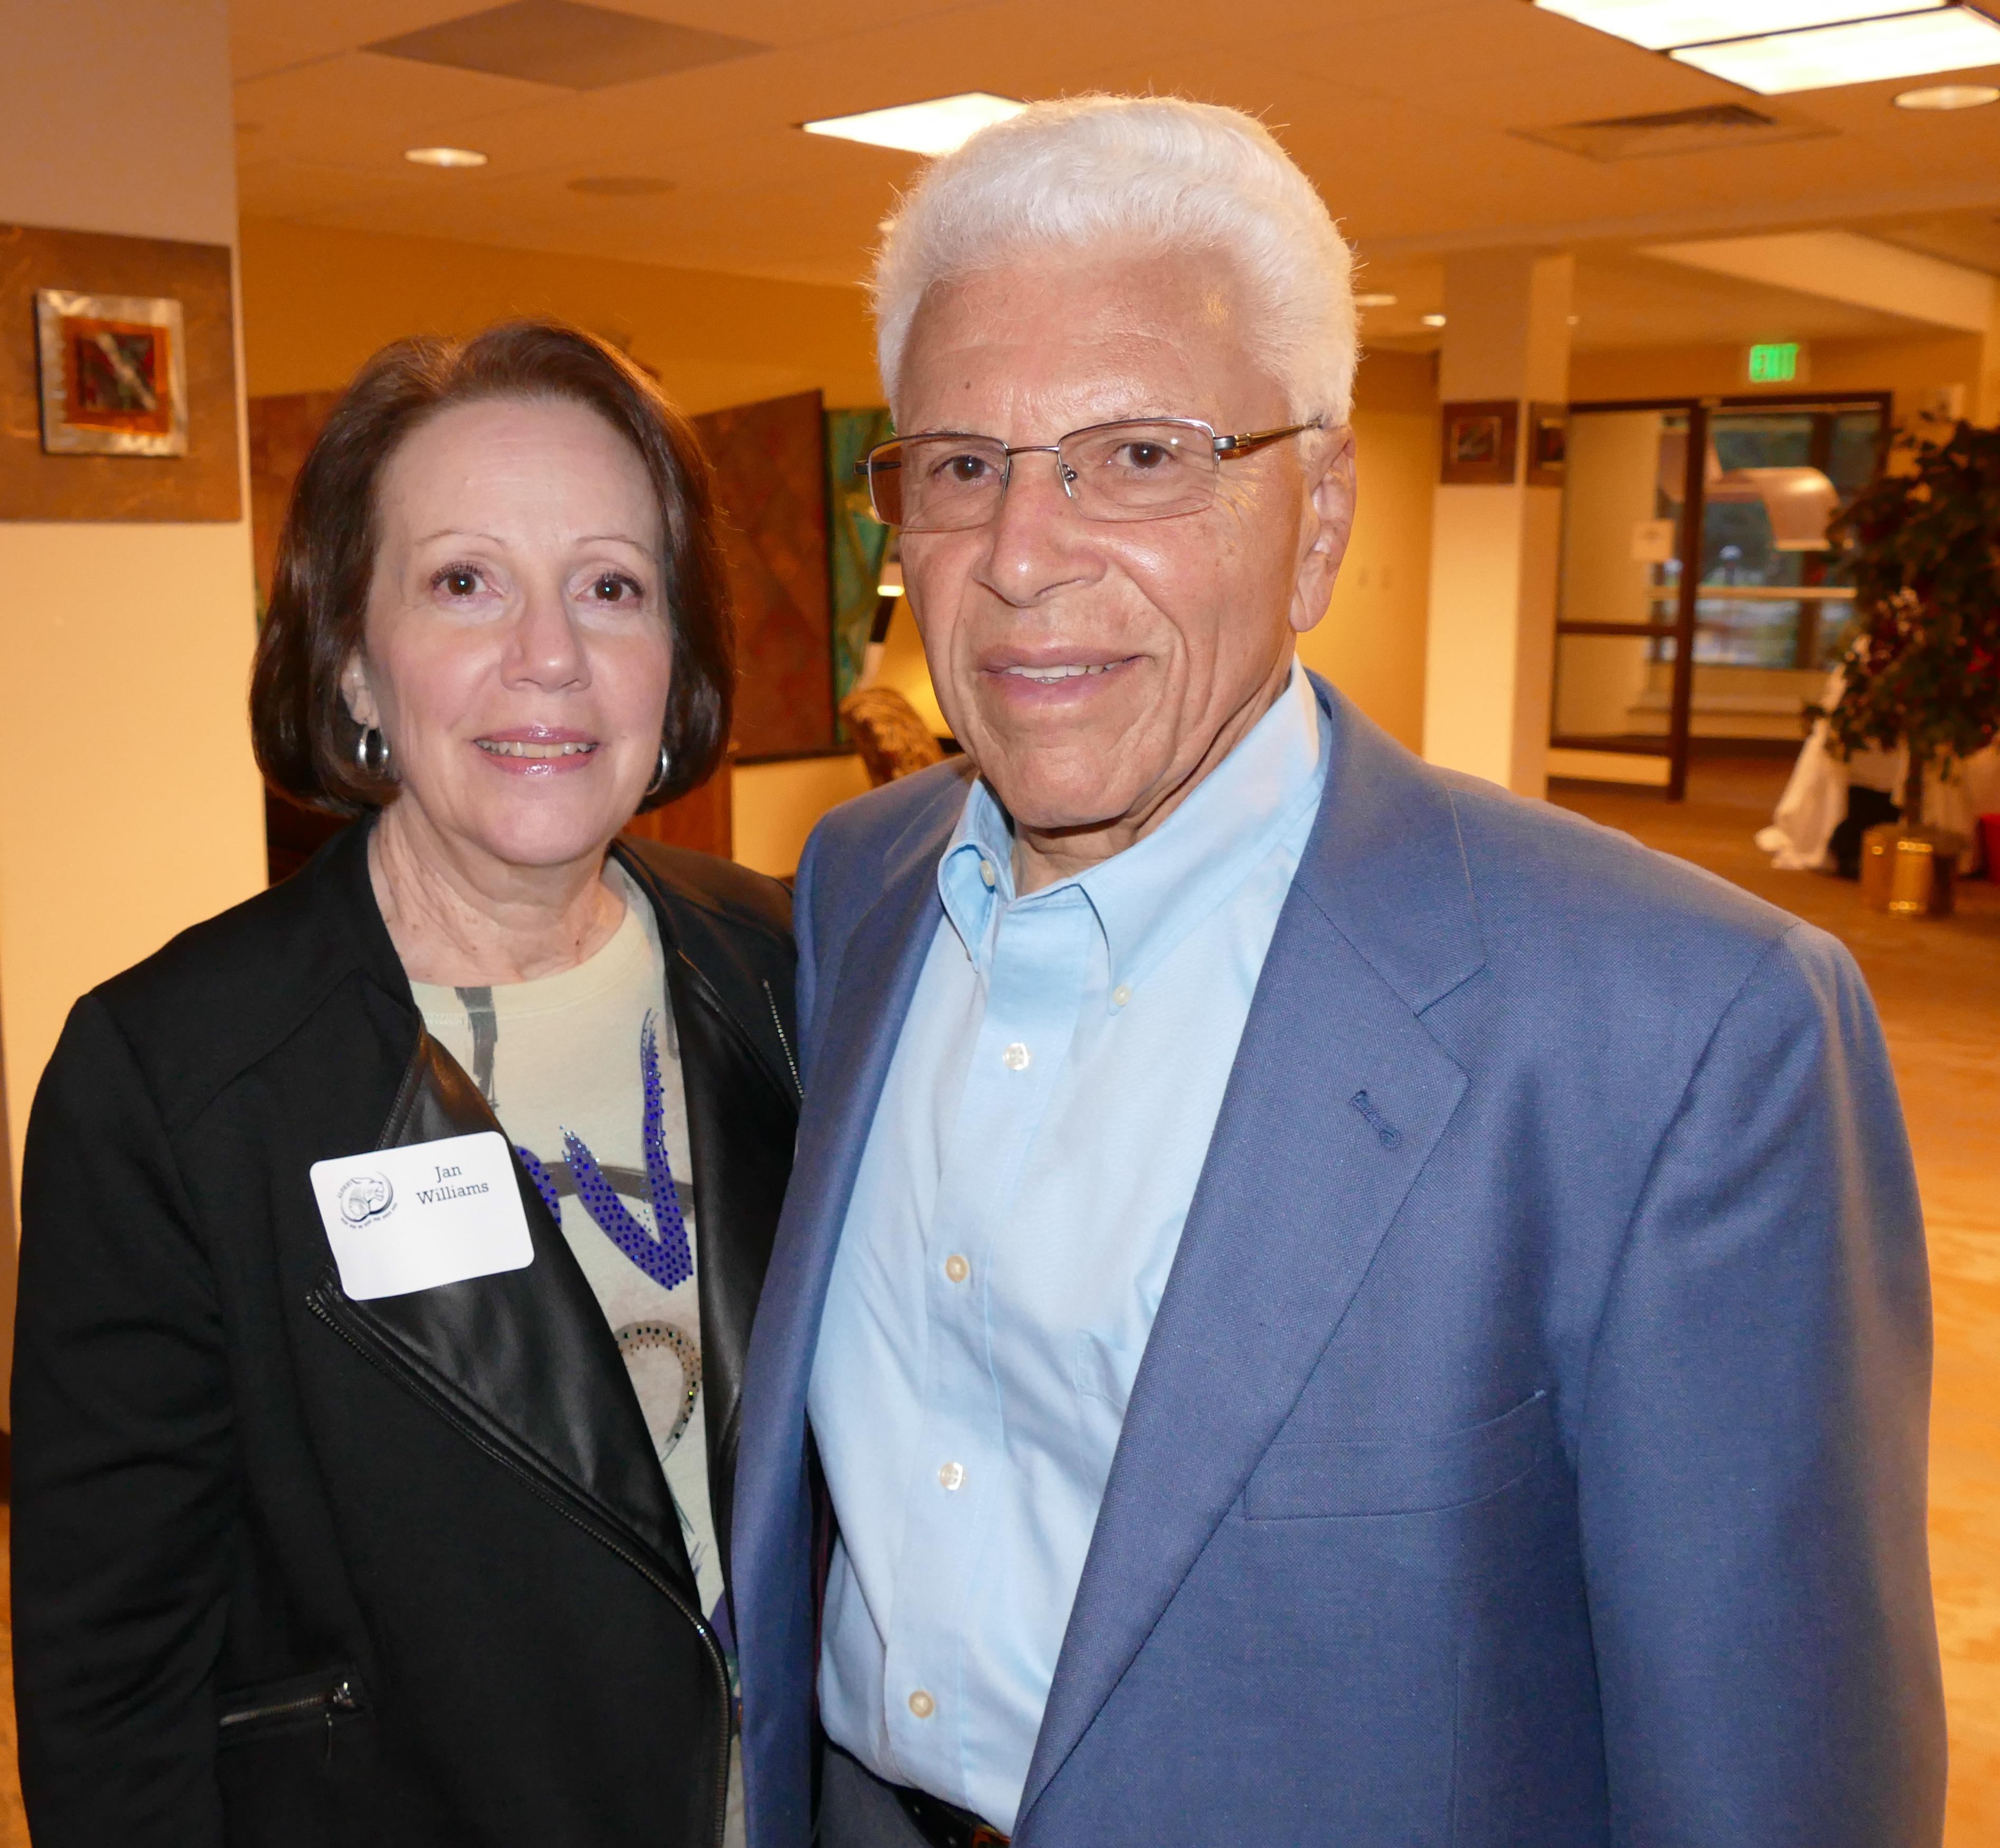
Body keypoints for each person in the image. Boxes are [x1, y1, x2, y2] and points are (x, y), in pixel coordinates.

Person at [729, 97, 1945, 1848]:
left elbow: (1776, 1775)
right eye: (960, 464)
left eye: (1139, 455)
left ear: (1315, 517)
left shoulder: (1682, 1028)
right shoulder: (864, 884)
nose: (1018, 553)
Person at [14, 321, 800, 1846]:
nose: (549, 657)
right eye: (463, 582)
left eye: (610, 586)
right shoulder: (177, 1075)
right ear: (355, 655)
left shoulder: (789, 971)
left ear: (677, 663)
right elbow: (112, 1681)